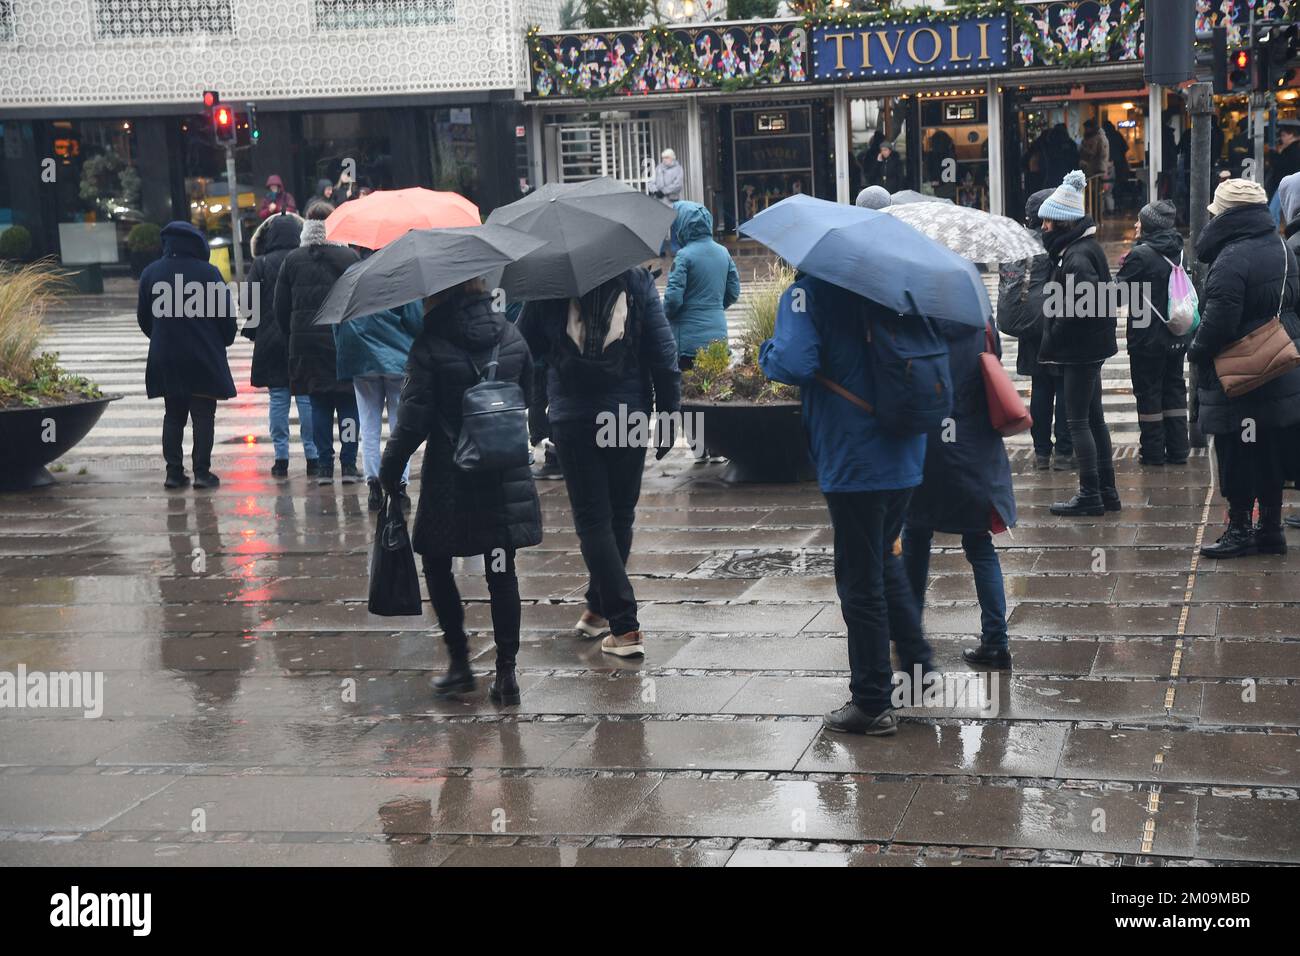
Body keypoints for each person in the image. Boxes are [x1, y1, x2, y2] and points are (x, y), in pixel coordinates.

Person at [760, 276, 934, 737]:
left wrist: (767, 352)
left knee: (860, 582)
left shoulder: (807, 293)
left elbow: (795, 361)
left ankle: (872, 702)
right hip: (905, 451)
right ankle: (917, 669)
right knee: (881, 560)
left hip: (855, 456)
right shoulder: (895, 288)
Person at [379, 278, 542, 704]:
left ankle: (460, 663)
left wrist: (389, 471)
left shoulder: (429, 344)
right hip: (504, 468)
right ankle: (506, 675)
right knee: (502, 569)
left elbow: (412, 423)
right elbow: (527, 394)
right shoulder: (511, 332)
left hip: (451, 473)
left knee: (436, 560)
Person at [519, 267, 681, 659]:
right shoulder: (636, 280)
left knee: (593, 520)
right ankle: (598, 607)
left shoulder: (548, 284)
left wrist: (537, 413)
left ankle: (624, 626)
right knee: (620, 515)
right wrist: (670, 417)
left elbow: (527, 352)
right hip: (627, 415)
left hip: (574, 416)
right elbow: (662, 353)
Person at [1192, 178, 1300, 558]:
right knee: (1266, 450)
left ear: (1226, 213)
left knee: (1237, 451)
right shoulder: (1282, 247)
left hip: (1241, 377)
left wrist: (1196, 351)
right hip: (1277, 369)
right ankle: (1270, 529)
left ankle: (1238, 529)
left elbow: (1219, 320)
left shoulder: (1232, 256)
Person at [902, 314, 1016, 670]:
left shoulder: (914, 322)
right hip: (974, 447)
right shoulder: (981, 323)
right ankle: (996, 642)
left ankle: (908, 630)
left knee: (916, 537)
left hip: (928, 447)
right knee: (980, 545)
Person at [1037, 170, 1119, 517]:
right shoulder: (1084, 249)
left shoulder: (1076, 257)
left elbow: (1081, 307)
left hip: (1079, 352)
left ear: (1062, 223)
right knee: (1093, 418)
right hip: (1090, 349)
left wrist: (1054, 333)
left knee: (1077, 422)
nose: (1042, 228)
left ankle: (1090, 493)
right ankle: (1107, 490)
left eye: (1047, 222)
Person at [136, 221, 238, 490]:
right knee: (203, 415)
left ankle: (173, 473)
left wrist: (161, 338)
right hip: (202, 356)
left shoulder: (151, 273)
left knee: (173, 415)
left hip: (166, 356)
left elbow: (144, 319)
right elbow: (226, 318)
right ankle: (202, 474)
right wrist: (222, 341)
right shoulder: (209, 273)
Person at [275, 201, 362, 485]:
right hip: (344, 342)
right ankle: (348, 464)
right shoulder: (349, 257)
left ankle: (324, 466)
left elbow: (280, 308)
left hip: (306, 344)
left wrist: (293, 336)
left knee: (319, 404)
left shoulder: (292, 260)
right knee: (348, 403)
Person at [999, 188, 1073, 471]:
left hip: (1029, 327)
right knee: (1063, 387)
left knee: (1040, 388)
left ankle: (1042, 452)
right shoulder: (1052, 242)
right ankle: (1064, 452)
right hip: (1054, 323)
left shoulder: (1018, 241)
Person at [1114, 200, 1191, 467]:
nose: (1135, 224)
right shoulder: (1178, 250)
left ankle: (1154, 452)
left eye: (1139, 220)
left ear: (1149, 225)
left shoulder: (1141, 255)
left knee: (1148, 393)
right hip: (1175, 333)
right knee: (1174, 388)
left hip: (1147, 338)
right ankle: (1180, 450)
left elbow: (1116, 296)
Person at [243, 211, 318, 478]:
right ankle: (313, 456)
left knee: (278, 399)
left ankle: (281, 458)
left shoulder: (261, 264)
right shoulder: (304, 258)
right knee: (307, 399)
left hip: (271, 340)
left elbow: (247, 303)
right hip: (301, 338)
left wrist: (254, 330)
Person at [335, 295, 423, 509]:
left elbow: (337, 325)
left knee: (368, 426)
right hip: (397, 359)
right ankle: (399, 484)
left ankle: (373, 485)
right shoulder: (402, 280)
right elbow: (416, 321)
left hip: (361, 360)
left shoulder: (354, 283)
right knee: (400, 425)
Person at [1266, 120, 1300, 198]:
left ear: (1291, 135)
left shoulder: (1292, 150)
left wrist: (1274, 153)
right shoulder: (1293, 148)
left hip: (1286, 187)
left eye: (1283, 135)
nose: (1281, 138)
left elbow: (1279, 166)